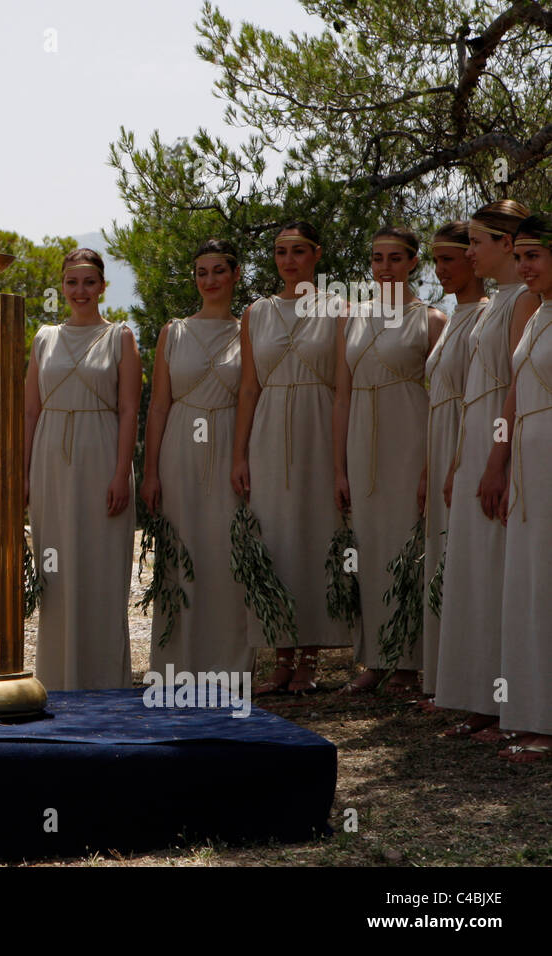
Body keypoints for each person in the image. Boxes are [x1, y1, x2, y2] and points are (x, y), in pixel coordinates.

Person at [231, 222, 352, 694]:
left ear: (317, 254)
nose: (289, 260)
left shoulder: (340, 309)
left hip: (319, 428)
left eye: (299, 251)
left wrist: (341, 464)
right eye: (281, 252)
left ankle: (310, 659)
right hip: (267, 433)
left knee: (316, 534)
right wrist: (239, 455)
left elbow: (343, 389)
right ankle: (280, 657)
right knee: (276, 538)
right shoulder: (255, 313)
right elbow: (247, 387)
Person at [436, 200, 539, 741]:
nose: (469, 251)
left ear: (505, 243)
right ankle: (481, 698)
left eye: (477, 242)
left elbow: (516, 389)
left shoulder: (524, 301)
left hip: (500, 446)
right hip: (475, 443)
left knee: (500, 574)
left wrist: (496, 462)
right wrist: (460, 460)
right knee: (475, 573)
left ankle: (507, 704)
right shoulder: (493, 303)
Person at [333, 228, 445, 693]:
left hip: (409, 437)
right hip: (361, 439)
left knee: (407, 544)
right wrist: (338, 465)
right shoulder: (352, 318)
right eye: (377, 258)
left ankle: (408, 663)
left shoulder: (432, 319)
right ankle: (375, 660)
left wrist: (429, 465)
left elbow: (441, 396)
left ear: (414, 262)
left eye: (395, 258)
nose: (384, 267)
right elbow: (341, 393)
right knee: (368, 545)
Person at [25, 248, 141, 690]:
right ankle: (56, 677)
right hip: (50, 459)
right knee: (54, 571)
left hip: (100, 455)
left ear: (102, 287)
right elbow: (31, 410)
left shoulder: (120, 338)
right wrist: (24, 473)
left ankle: (105, 679)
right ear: (63, 285)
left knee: (101, 567)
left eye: (89, 282)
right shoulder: (44, 338)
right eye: (72, 282)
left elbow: (130, 409)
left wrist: (120, 472)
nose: (80, 291)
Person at [140, 239, 250, 675]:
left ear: (235, 274)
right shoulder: (174, 332)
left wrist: (241, 457)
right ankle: (177, 664)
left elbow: (249, 395)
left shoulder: (249, 330)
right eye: (201, 272)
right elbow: (159, 405)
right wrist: (149, 472)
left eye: (218, 271)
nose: (209, 281)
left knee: (226, 551)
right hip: (179, 447)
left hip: (227, 441)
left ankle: (227, 664)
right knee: (180, 552)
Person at [420, 223, 487, 706]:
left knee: (461, 560)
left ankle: (473, 687)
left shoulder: (486, 315)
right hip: (439, 441)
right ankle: (445, 681)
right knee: (440, 560)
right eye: (436, 261)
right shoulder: (452, 315)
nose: (441, 269)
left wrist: (457, 464)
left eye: (450, 259)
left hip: (466, 444)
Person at [494, 213, 552, 761]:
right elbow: (514, 392)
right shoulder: (535, 316)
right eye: (519, 257)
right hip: (529, 460)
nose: (523, 266)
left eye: (533, 256)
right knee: (532, 583)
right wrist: (501, 460)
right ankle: (535, 711)